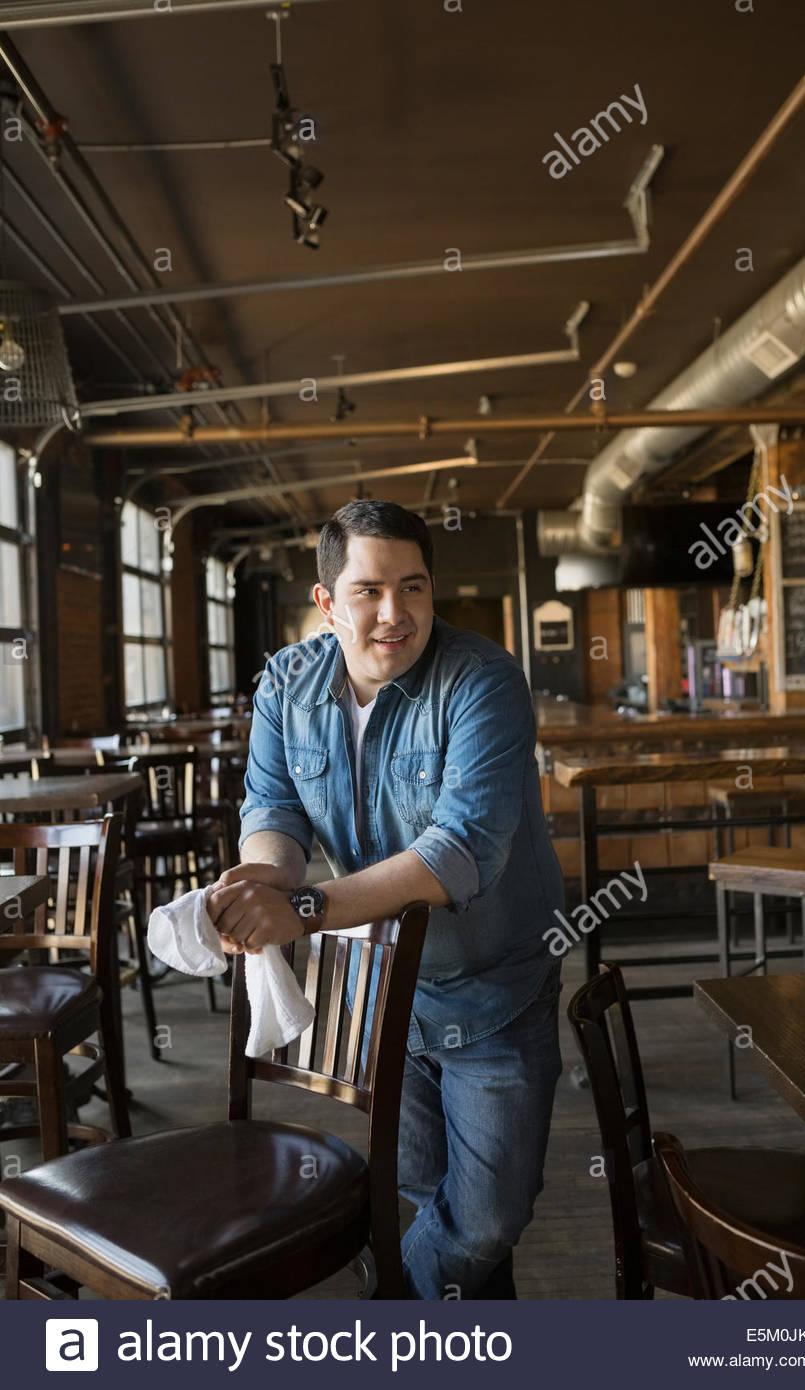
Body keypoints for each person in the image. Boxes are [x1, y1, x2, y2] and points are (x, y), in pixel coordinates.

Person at [207, 499, 564, 1299]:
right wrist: (268, 872)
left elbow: (459, 848)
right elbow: (272, 808)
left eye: (413, 587)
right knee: (429, 1196)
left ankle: (383, 1313)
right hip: (385, 993)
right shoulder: (286, 685)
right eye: (368, 591)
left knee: (484, 1221)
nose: (394, 614)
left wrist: (301, 909)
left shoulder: (484, 681)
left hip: (496, 990)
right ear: (326, 601)